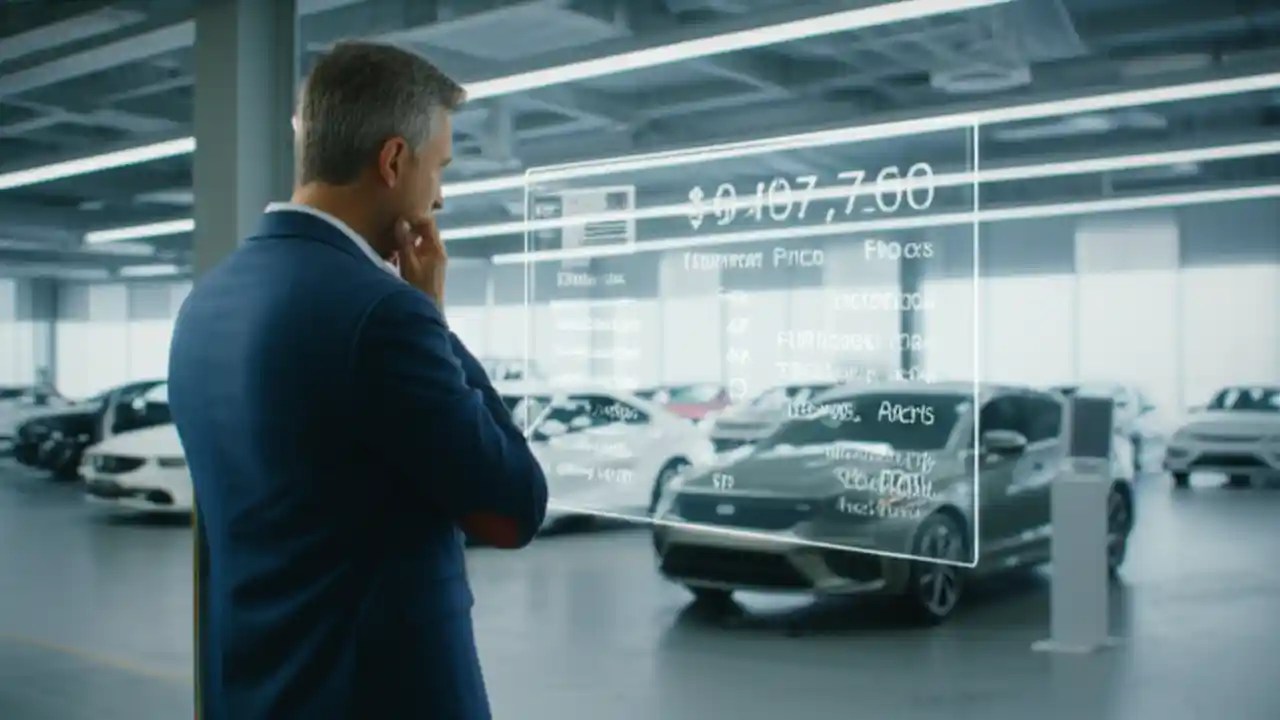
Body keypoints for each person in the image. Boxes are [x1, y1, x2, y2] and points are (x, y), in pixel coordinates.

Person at [168, 41, 548, 720]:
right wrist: (433, 317)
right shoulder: (383, 315)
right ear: (393, 160)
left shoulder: (206, 304)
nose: (438, 196)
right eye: (438, 170)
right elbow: (514, 506)